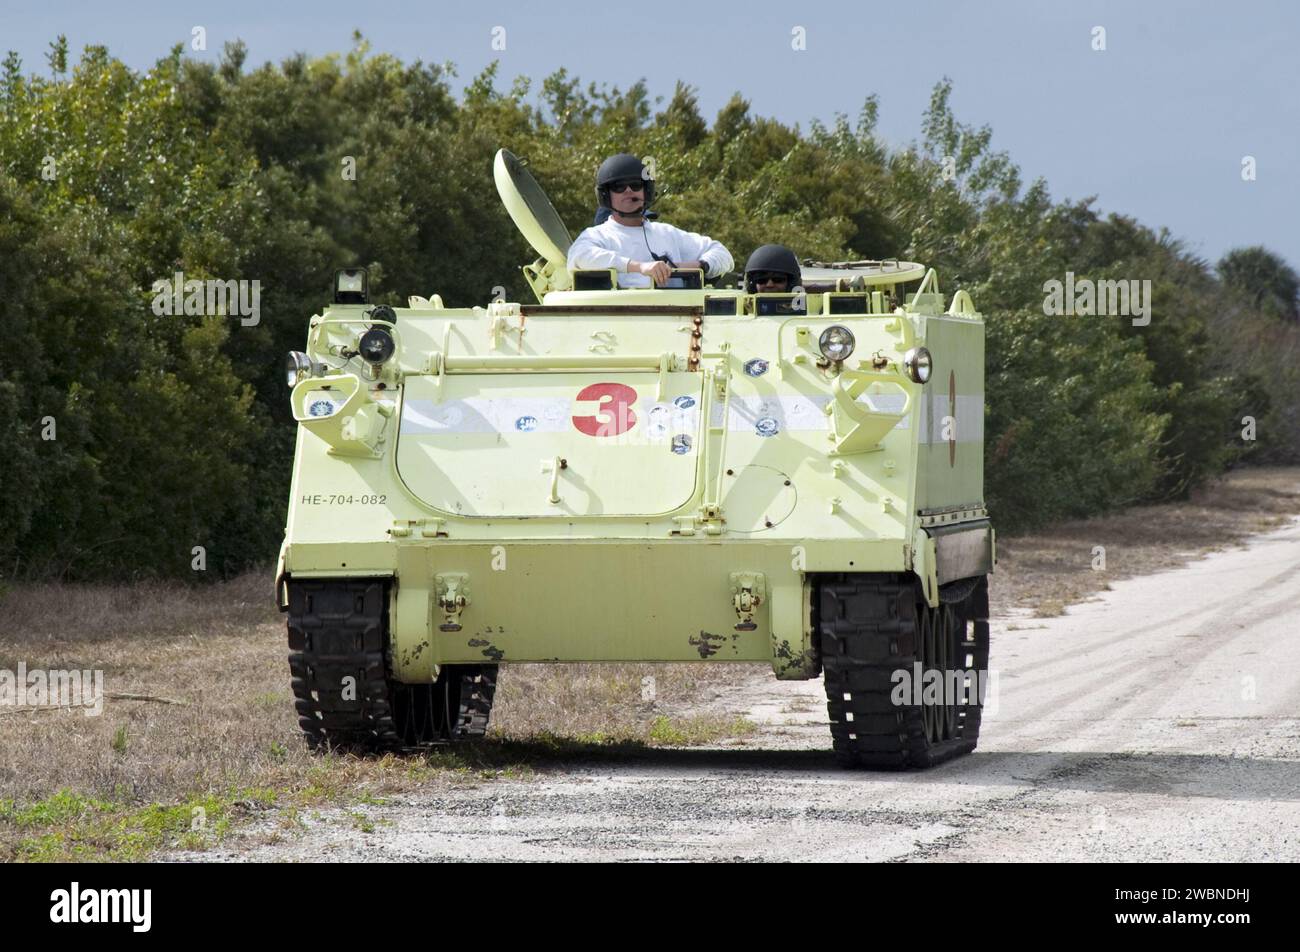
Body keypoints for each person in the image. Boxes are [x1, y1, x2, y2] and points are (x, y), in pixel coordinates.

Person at [567, 154, 733, 288]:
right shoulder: (597, 236)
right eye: (619, 187)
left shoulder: (667, 233)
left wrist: (696, 266)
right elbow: (579, 257)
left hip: (677, 319)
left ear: (646, 190)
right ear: (605, 195)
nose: (628, 191)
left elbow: (723, 255)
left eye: (635, 185)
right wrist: (639, 267)